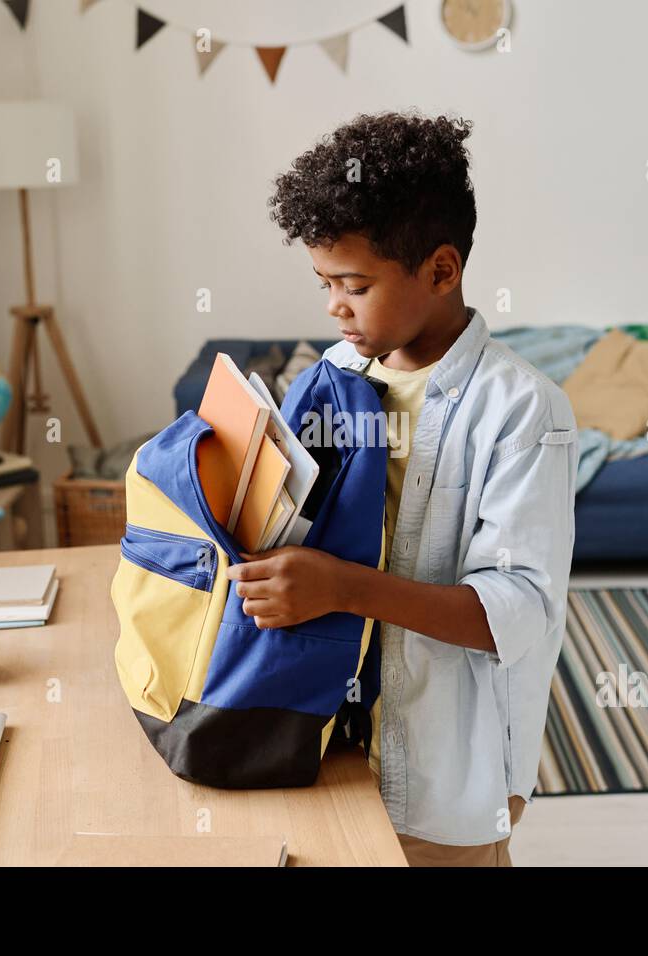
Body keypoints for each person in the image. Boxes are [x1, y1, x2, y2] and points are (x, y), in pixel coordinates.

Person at [226, 112, 578, 866]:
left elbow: (514, 612)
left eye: (354, 285)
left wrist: (341, 587)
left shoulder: (522, 409)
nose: (333, 306)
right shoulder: (337, 375)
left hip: (445, 773)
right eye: (324, 283)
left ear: (442, 270)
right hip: (330, 738)